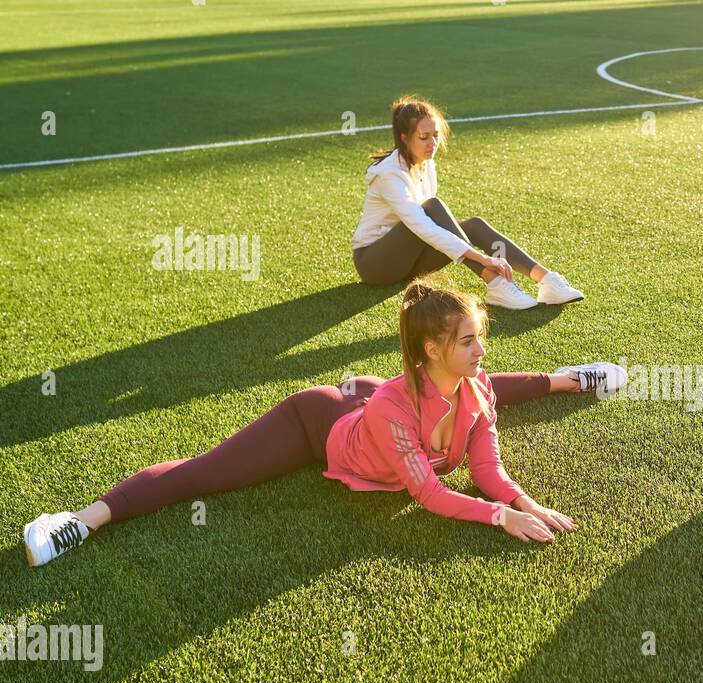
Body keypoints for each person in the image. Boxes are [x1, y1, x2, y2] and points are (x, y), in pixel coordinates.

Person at [22, 281, 628, 567]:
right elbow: (428, 493)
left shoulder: (470, 385)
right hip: (324, 421)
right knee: (209, 474)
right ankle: (77, 522)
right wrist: (500, 516)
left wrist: (524, 500)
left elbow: (489, 469)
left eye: (478, 337)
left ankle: (571, 377)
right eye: (467, 341)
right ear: (432, 351)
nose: (480, 349)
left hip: (381, 402)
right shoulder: (396, 405)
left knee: (490, 390)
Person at [351, 95, 583, 310]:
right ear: (404, 138)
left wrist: (471, 249)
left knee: (471, 226)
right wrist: (480, 257)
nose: (432, 143)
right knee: (432, 207)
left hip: (409, 262)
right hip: (375, 265)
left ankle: (546, 280)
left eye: (435, 135)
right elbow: (421, 225)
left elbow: (429, 230)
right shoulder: (389, 174)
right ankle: (496, 284)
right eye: (423, 137)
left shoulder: (426, 161)